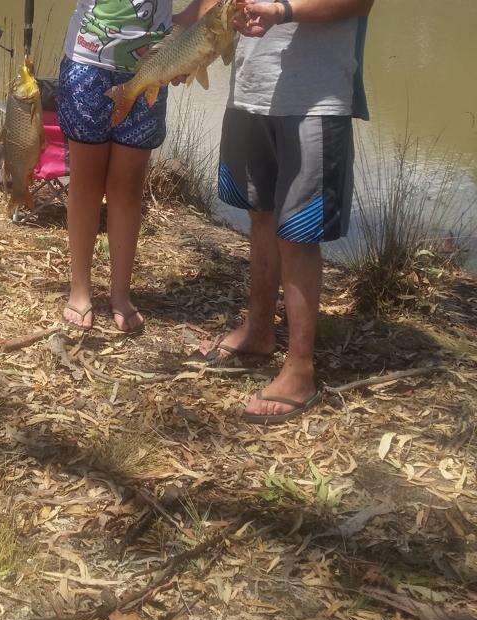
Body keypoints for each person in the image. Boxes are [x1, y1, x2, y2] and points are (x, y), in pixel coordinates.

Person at [207, 0, 373, 423]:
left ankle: (300, 370)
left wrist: (282, 10)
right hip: (249, 90)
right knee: (260, 214)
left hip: (315, 97)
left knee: (298, 234)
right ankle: (258, 331)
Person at [58, 0, 183, 332]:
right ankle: (80, 289)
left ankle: (121, 294)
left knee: (127, 188)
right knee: (86, 183)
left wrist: (186, 41)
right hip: (87, 65)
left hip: (153, 67)